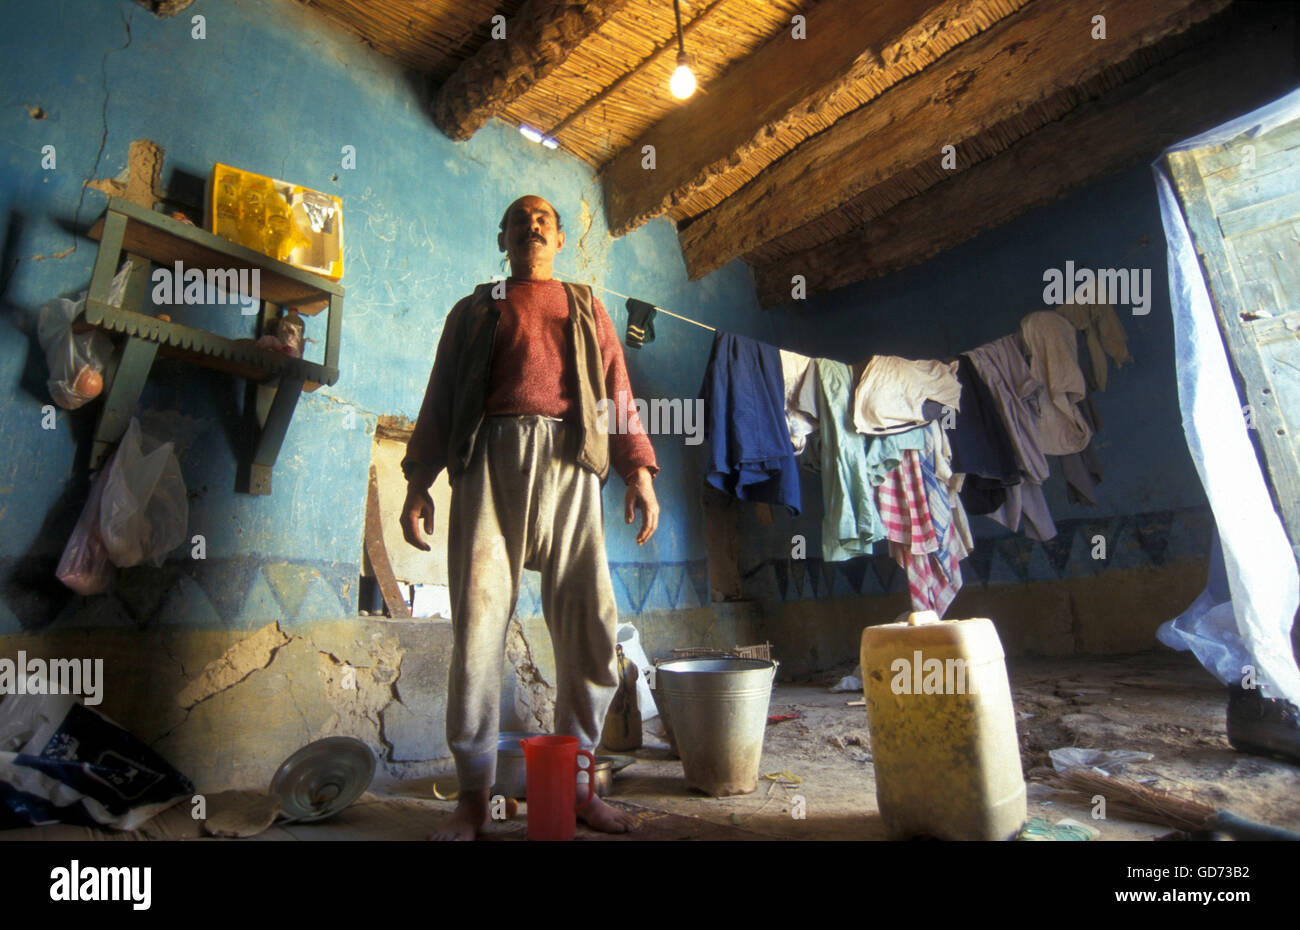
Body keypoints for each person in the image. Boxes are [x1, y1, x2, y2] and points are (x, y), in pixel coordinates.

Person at [399, 195, 660, 840]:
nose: (533, 225)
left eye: (543, 217)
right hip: (490, 462)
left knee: (593, 626)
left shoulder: (584, 304)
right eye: (520, 219)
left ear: (561, 237)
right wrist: (418, 482)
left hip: (573, 464)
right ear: (503, 239)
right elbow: (439, 395)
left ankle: (576, 784)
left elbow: (616, 391)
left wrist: (640, 473)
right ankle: (473, 798)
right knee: (479, 624)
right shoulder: (475, 308)